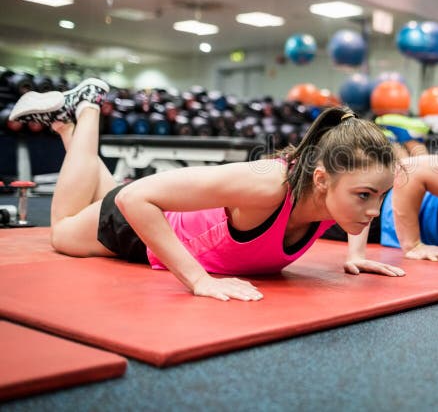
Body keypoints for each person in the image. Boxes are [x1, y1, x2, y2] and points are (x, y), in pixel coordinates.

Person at [10, 78, 401, 302]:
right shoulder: (268, 184)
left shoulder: (334, 193)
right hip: (142, 228)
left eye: (380, 196)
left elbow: (361, 195)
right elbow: (135, 199)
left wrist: (357, 253)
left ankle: (69, 124)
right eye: (365, 196)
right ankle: (86, 108)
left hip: (163, 218)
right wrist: (199, 280)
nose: (372, 210)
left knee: (98, 197)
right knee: (61, 232)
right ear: (321, 180)